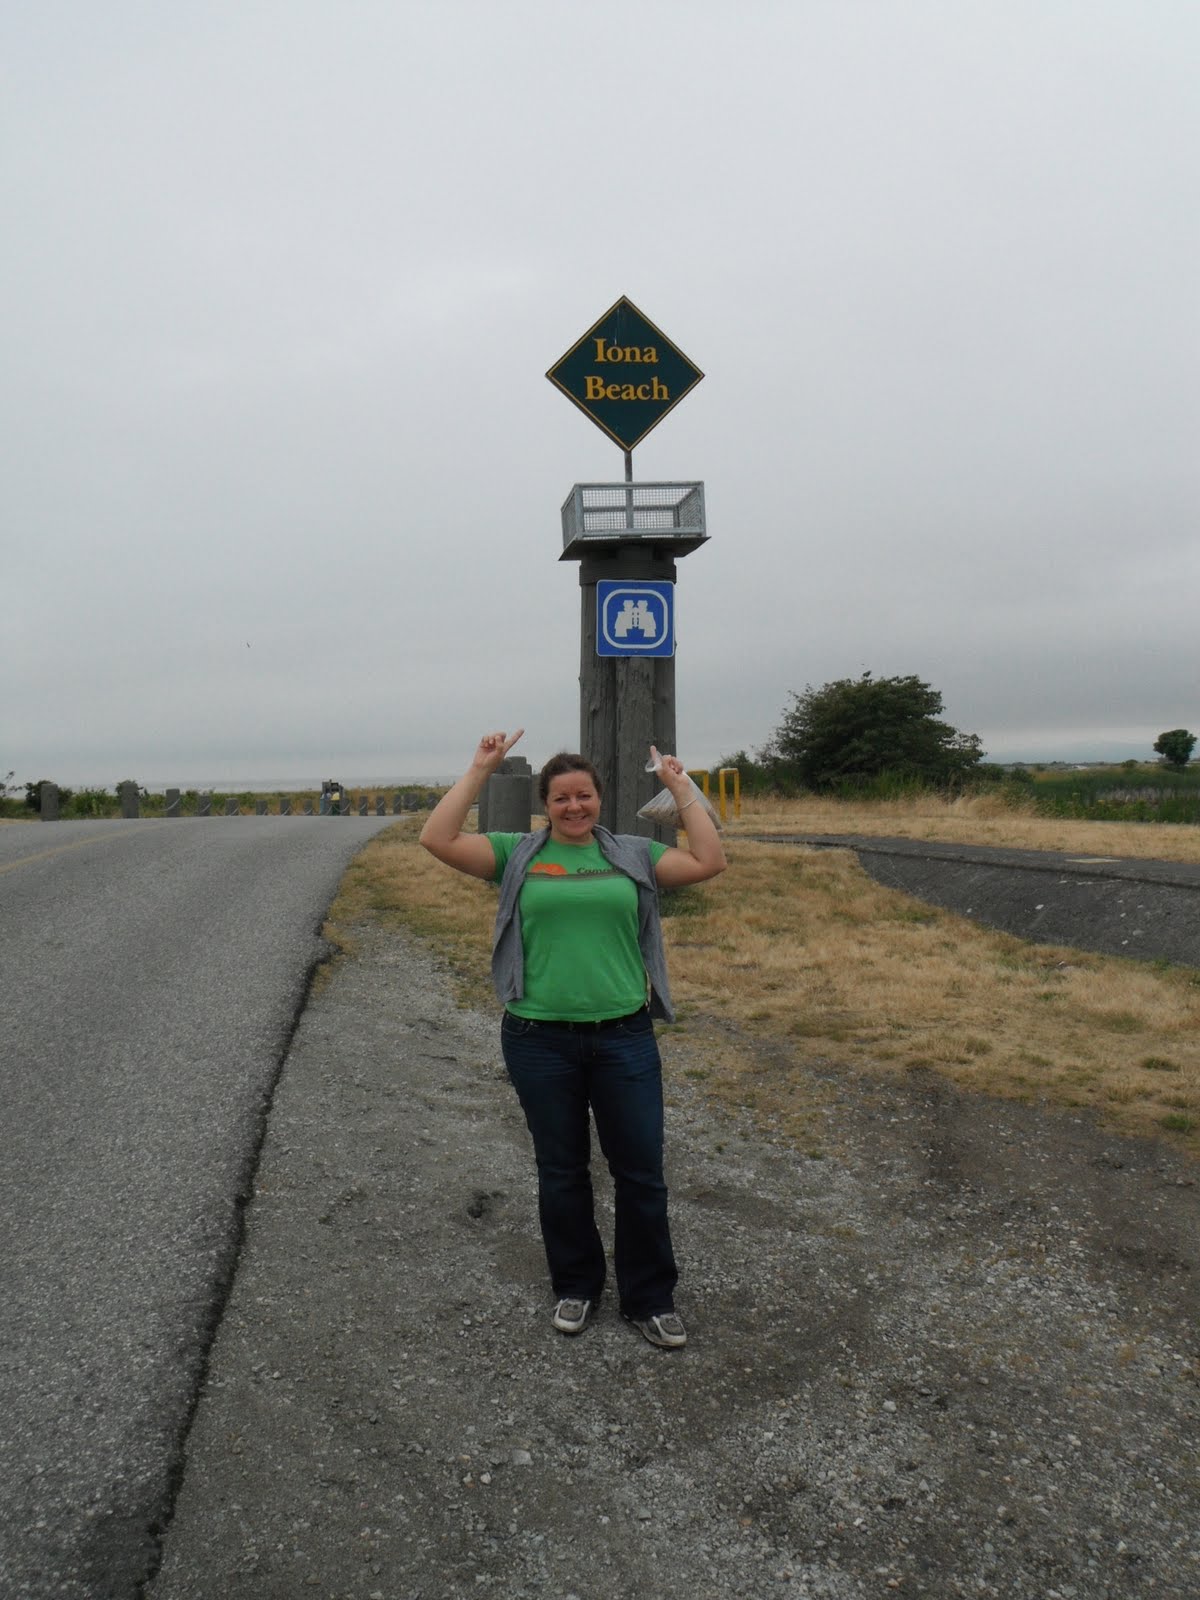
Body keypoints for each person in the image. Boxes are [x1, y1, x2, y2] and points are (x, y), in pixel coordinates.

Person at [419, 730, 727, 1349]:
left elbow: (709, 861)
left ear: (598, 799)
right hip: (538, 1039)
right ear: (546, 805)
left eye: (583, 796)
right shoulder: (517, 855)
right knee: (561, 1170)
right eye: (561, 798)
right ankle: (576, 1286)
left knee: (640, 1172)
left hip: (624, 1039)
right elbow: (438, 839)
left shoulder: (633, 854)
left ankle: (650, 1299)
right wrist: (480, 768)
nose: (574, 807)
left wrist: (680, 785)